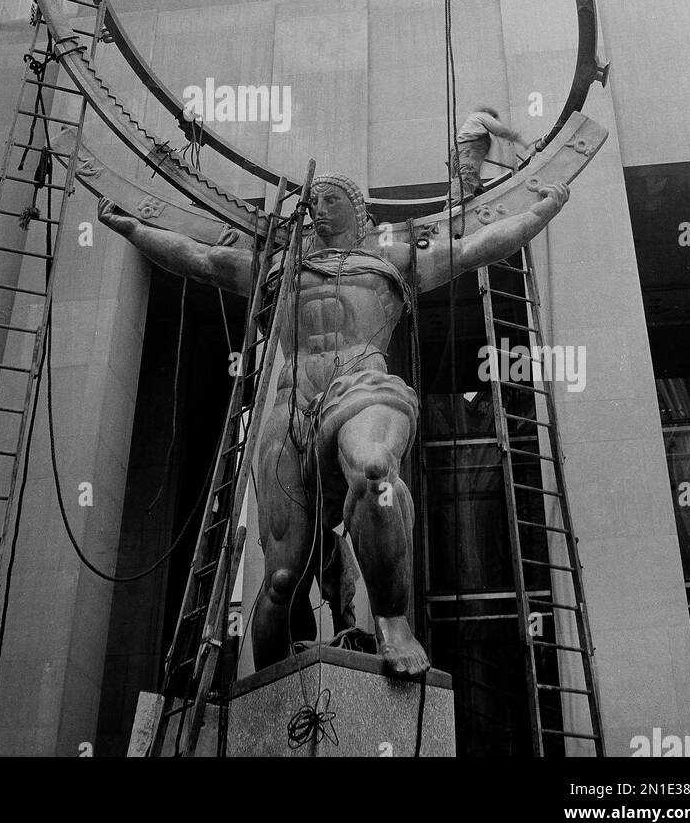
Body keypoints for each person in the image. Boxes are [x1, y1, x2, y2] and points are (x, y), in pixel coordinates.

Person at [97, 170, 570, 677]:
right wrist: (132, 229)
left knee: (374, 468)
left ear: (358, 209)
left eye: (329, 198)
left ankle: (392, 621)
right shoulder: (277, 266)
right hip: (290, 406)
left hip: (362, 388)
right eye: (311, 200)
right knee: (281, 576)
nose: (317, 207)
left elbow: (476, 247)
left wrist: (540, 212)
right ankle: (271, 688)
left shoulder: (392, 260)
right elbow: (202, 259)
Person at [449, 105, 532, 204]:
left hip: (459, 151)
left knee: (471, 178)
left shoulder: (470, 125)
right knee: (468, 173)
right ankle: (455, 202)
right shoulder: (481, 115)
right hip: (470, 146)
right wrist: (522, 142)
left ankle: (478, 199)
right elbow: (499, 129)